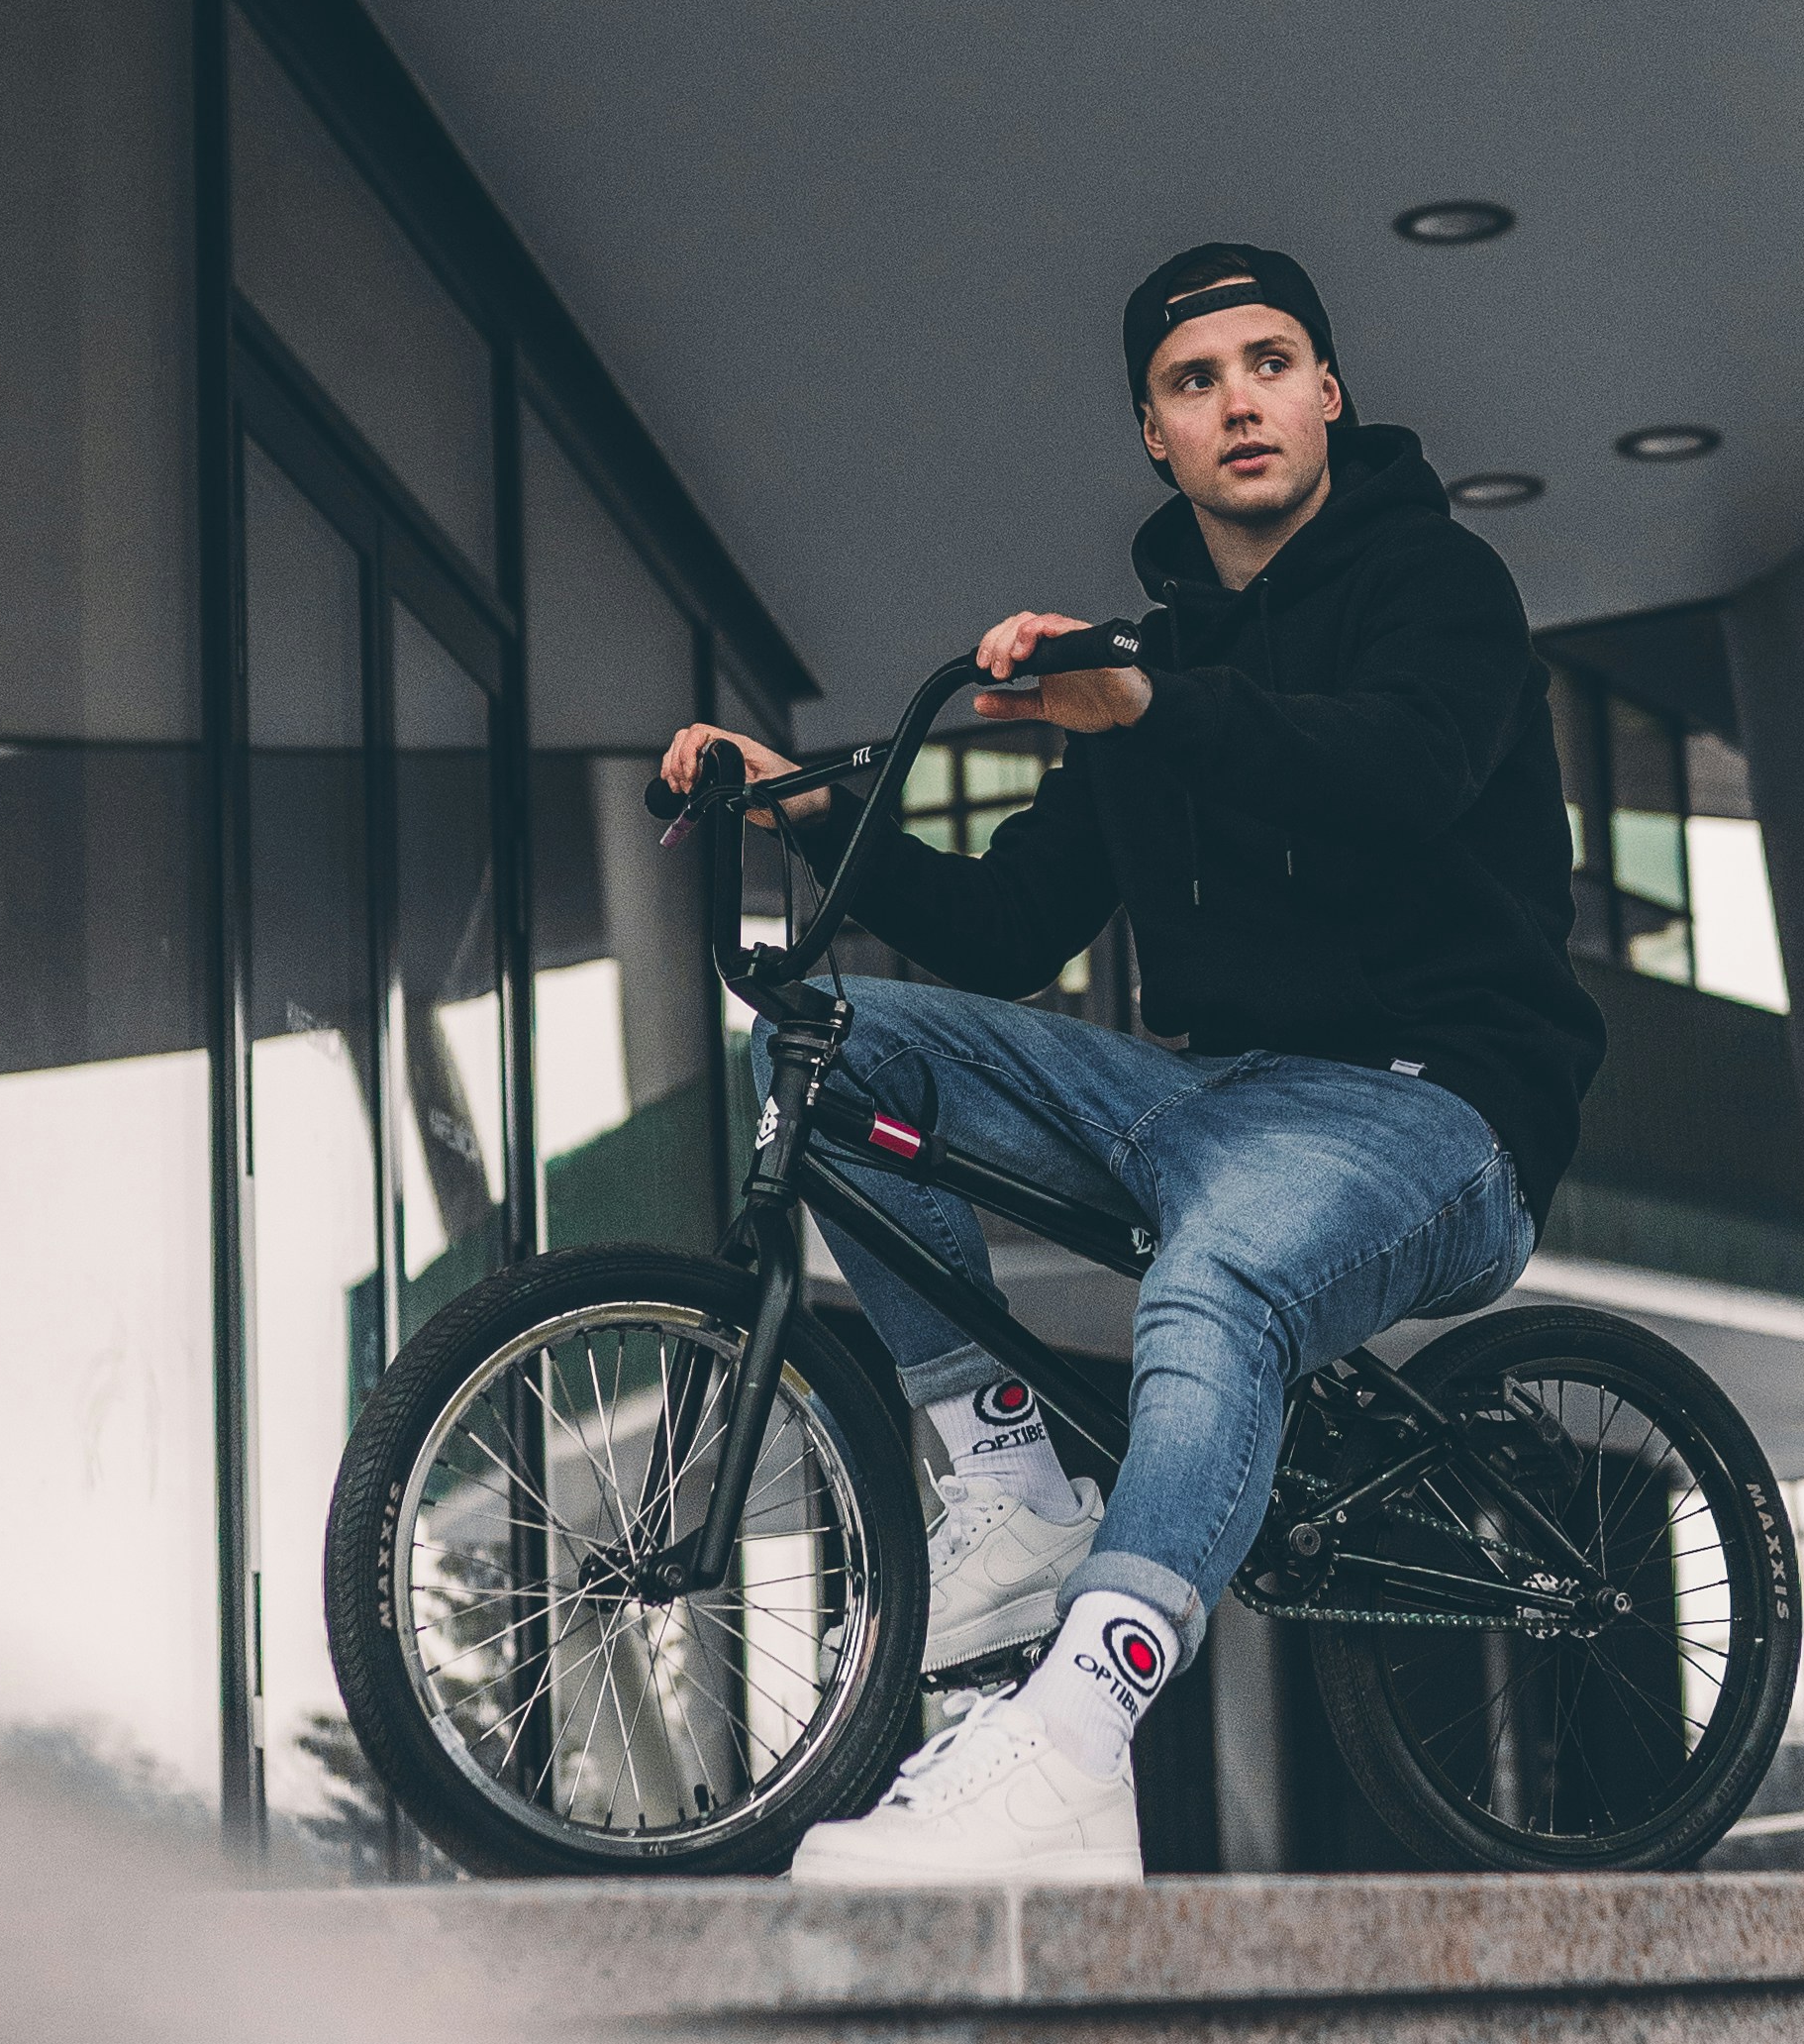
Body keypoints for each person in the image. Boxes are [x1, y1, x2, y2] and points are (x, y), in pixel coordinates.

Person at [653, 240, 1605, 1881]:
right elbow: (1015, 925)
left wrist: (1149, 707)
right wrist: (808, 807)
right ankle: (1011, 1475)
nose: (1238, 400)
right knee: (841, 1038)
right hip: (1217, 1098)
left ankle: (1078, 1739)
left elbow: (1399, 772)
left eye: (1268, 363)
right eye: (1192, 380)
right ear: (1151, 435)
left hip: (1439, 1110)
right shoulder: (1146, 659)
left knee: (1213, 1277)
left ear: (1327, 395)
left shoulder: (1436, 587)